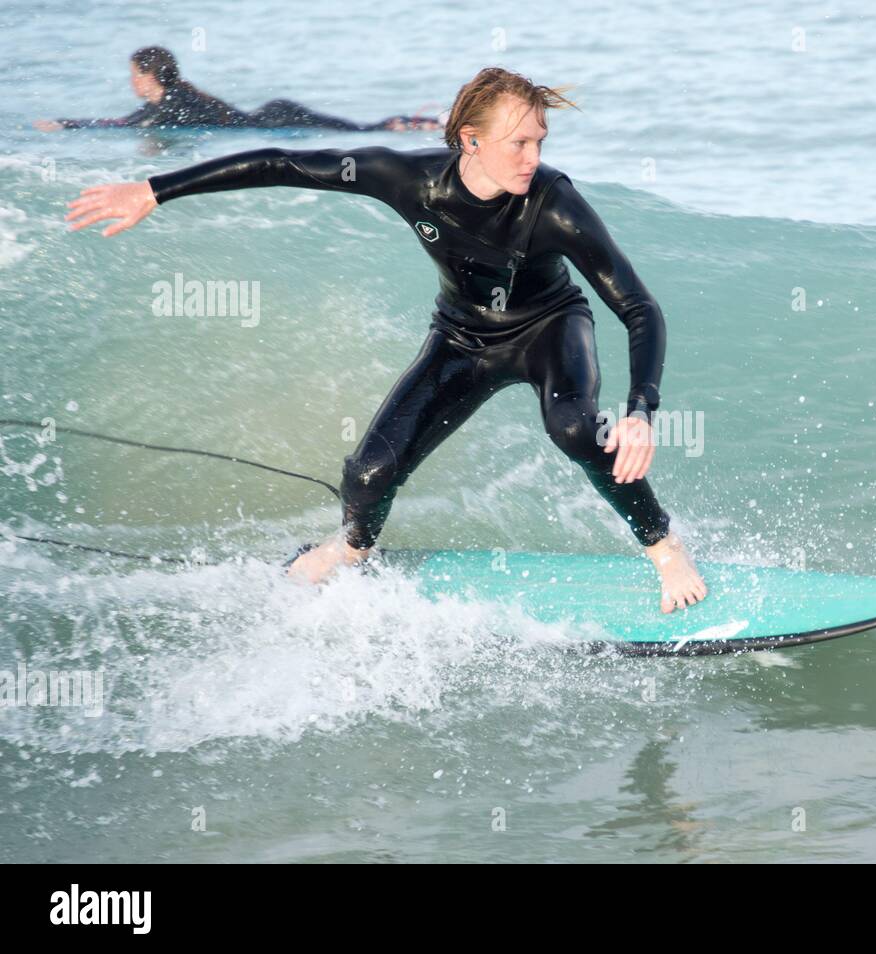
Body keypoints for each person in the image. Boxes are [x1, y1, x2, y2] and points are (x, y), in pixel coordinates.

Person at [64, 66, 709, 614]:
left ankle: (663, 547)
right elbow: (285, 163)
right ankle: (352, 548)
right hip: (461, 338)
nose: (532, 159)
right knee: (368, 473)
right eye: (517, 144)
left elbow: (638, 305)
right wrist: (156, 187)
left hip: (548, 328)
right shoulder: (408, 179)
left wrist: (641, 411)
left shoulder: (554, 203)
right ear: (470, 141)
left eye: (539, 141)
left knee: (573, 426)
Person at [35, 46, 442, 133]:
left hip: (280, 119)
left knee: (366, 132)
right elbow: (127, 122)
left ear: (146, 77)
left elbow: (124, 125)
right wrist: (69, 122)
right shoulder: (175, 99)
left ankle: (429, 123)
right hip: (277, 114)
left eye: (133, 75)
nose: (130, 83)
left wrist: (66, 125)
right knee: (365, 129)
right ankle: (427, 122)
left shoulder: (175, 104)